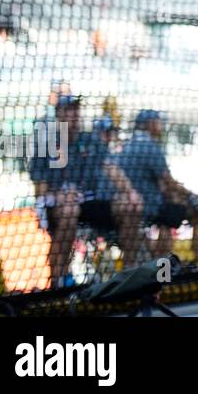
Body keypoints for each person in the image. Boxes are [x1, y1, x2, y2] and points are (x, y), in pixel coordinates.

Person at [28, 95, 145, 288]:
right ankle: (59, 281)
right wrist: (61, 195)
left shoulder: (89, 139)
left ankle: (129, 273)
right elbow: (40, 189)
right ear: (58, 115)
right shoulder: (47, 142)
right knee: (69, 210)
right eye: (68, 110)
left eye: (76, 110)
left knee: (130, 206)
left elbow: (110, 167)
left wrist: (130, 192)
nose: (74, 114)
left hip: (86, 201)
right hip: (56, 203)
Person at [114, 110, 198, 268]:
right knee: (191, 214)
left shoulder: (126, 146)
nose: (161, 125)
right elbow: (168, 181)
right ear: (150, 124)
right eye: (158, 122)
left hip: (130, 207)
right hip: (150, 206)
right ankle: (192, 265)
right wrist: (193, 196)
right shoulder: (150, 146)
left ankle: (160, 266)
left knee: (169, 216)